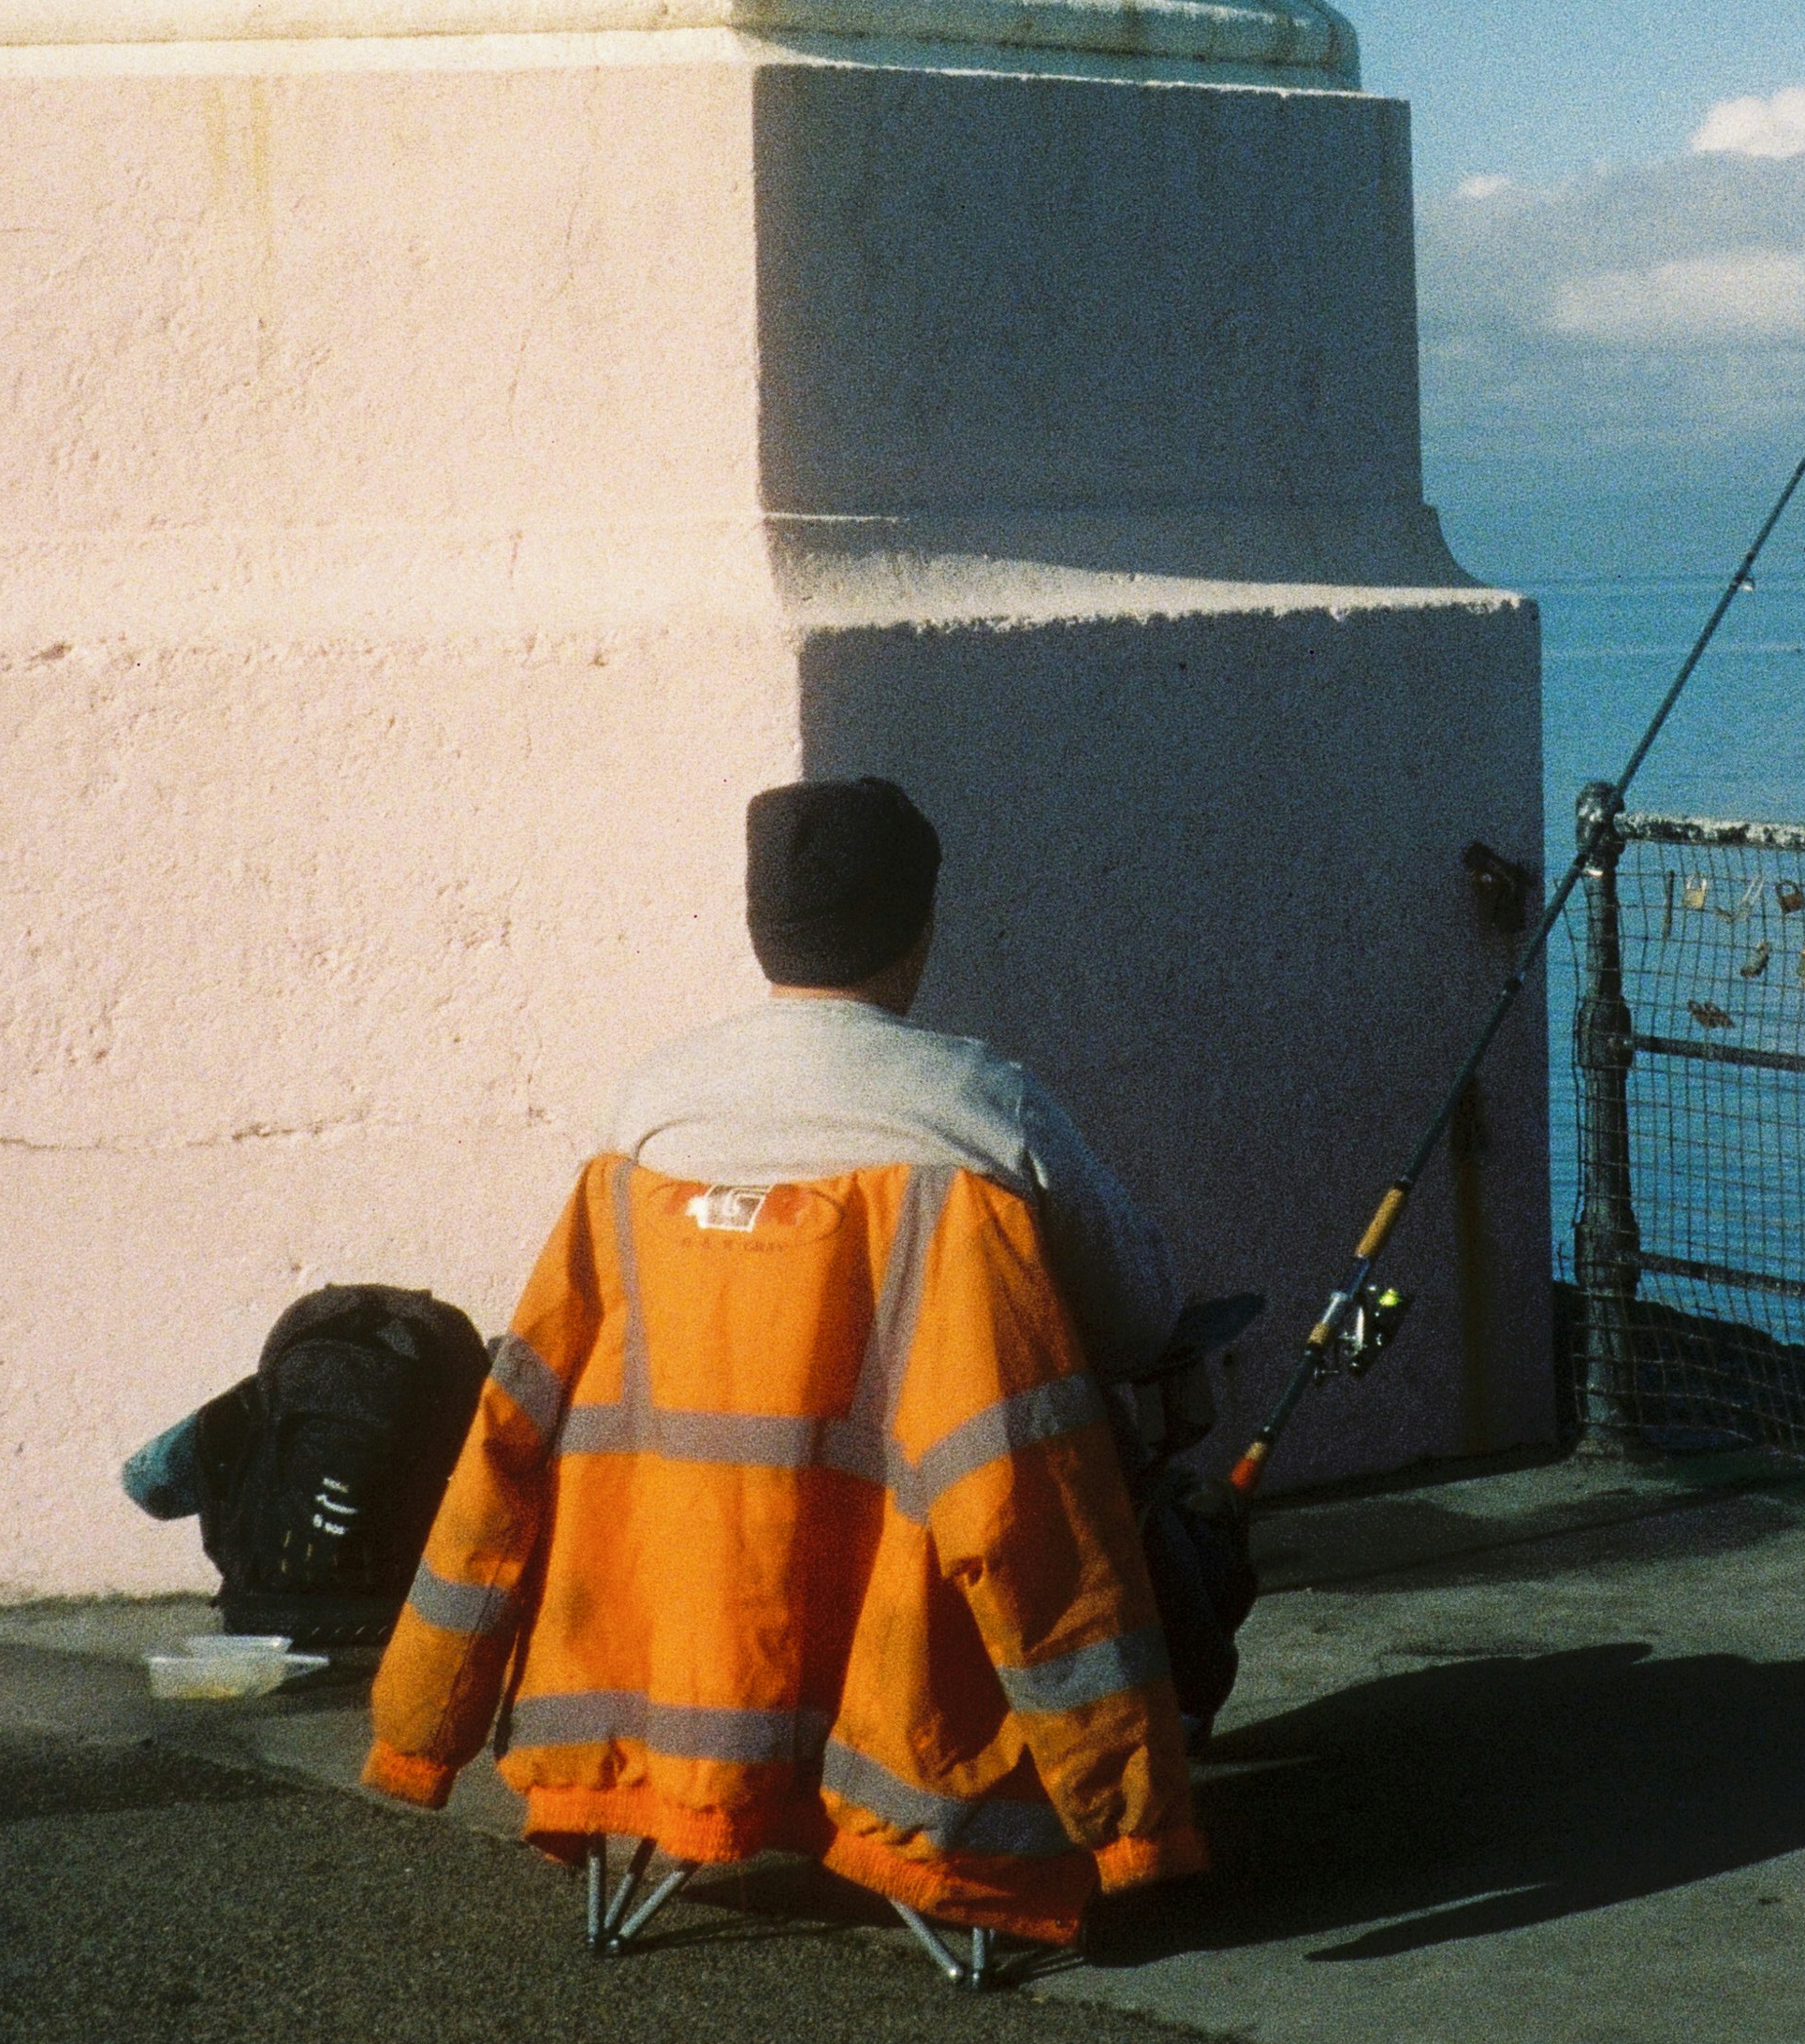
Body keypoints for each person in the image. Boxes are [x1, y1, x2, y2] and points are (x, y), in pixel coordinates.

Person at [363, 776, 1206, 1943]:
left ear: (759, 925)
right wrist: (1135, 1811)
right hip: (904, 1686)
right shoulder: (980, 1106)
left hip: (667, 1667)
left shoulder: (646, 1118)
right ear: (917, 928)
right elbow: (1135, 1316)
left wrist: (420, 1728)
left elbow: (506, 1441)